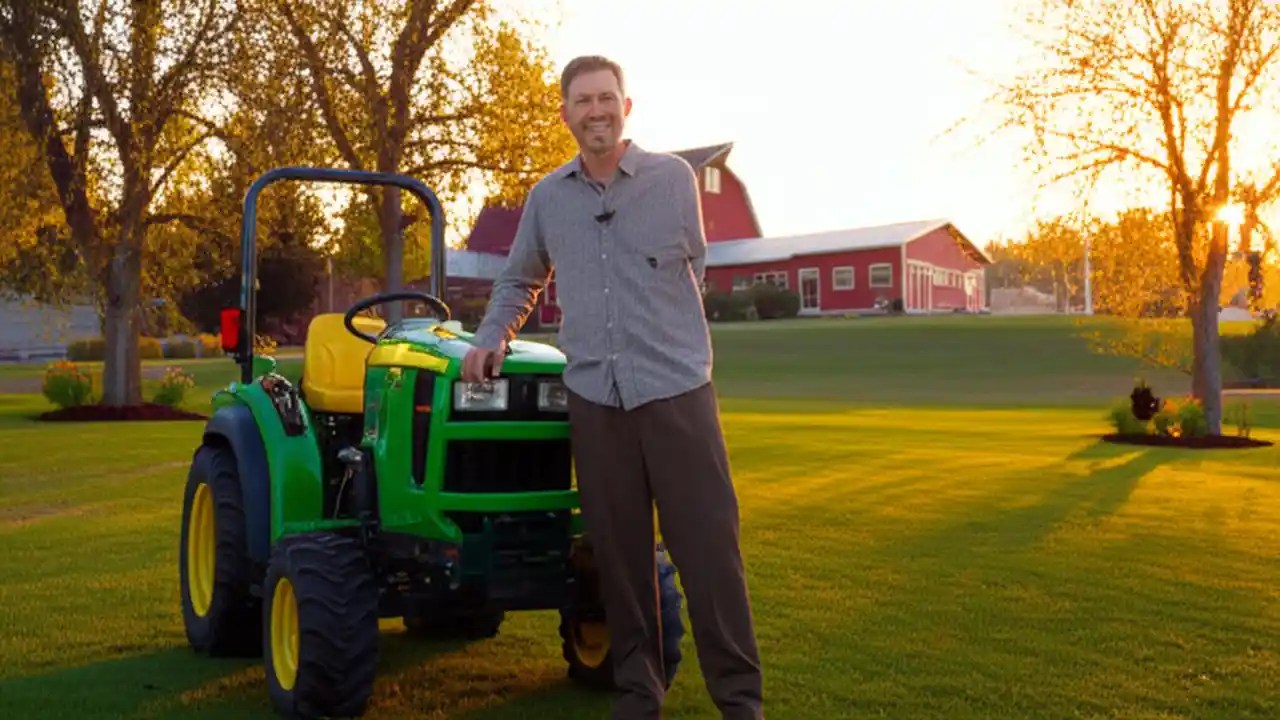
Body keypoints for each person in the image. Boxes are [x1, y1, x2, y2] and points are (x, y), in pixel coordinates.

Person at [462, 55, 764, 720]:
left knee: (710, 556)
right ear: (566, 113)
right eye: (581, 101)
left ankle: (740, 703)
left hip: (676, 392)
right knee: (621, 566)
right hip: (596, 401)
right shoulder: (548, 199)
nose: (595, 110)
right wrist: (492, 338)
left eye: (606, 98)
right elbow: (518, 279)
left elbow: (696, 266)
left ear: (627, 107)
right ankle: (638, 695)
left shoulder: (672, 181)